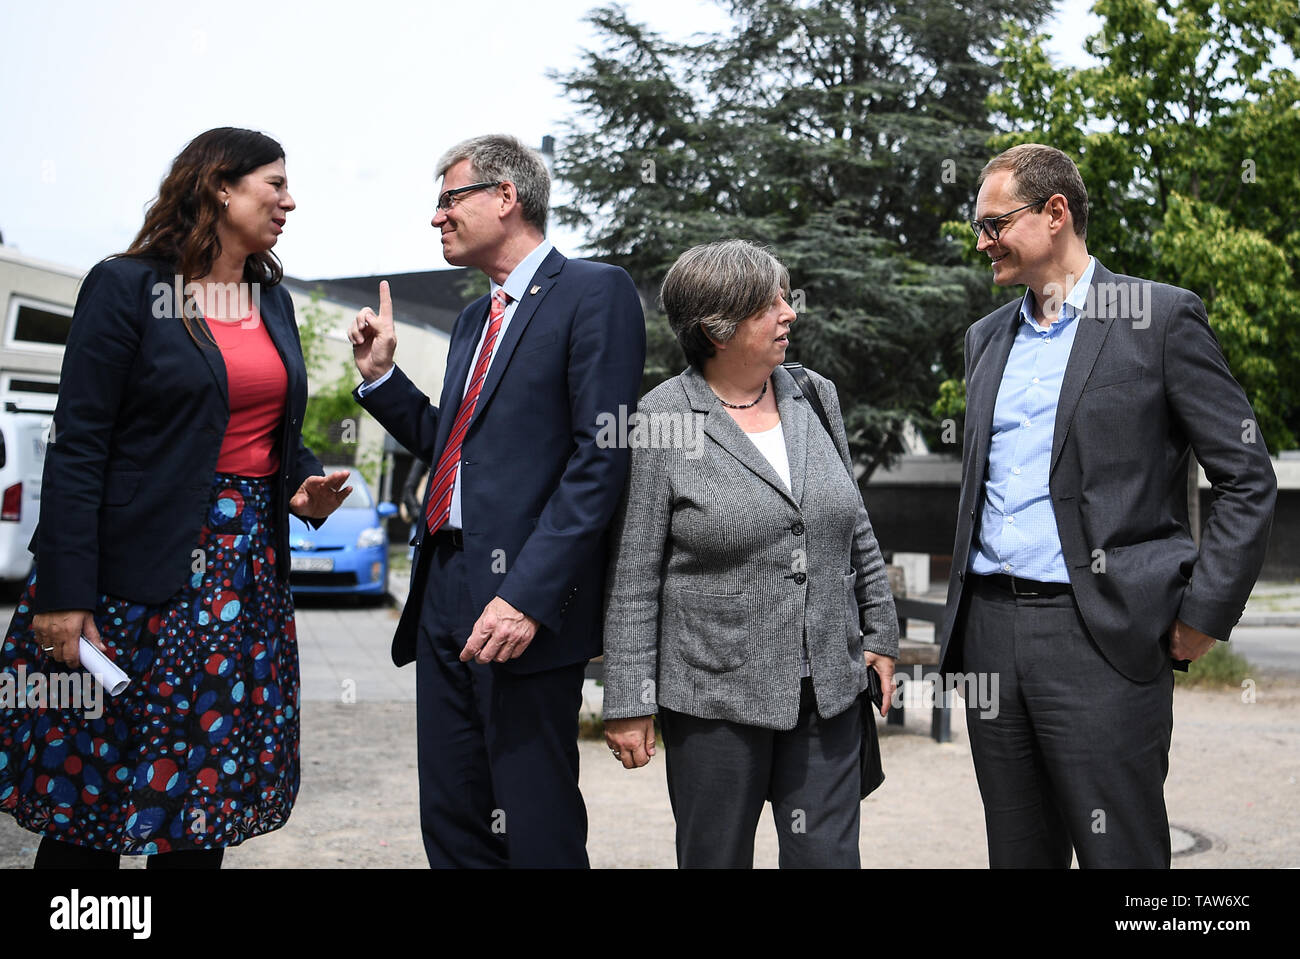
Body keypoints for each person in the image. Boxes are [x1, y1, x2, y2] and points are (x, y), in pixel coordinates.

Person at [0, 127, 351, 869]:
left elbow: (263, 426)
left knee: (203, 792)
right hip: (134, 579)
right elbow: (81, 441)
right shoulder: (127, 285)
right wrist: (63, 594)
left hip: (242, 581)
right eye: (275, 184)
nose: (290, 201)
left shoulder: (273, 298)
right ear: (222, 186)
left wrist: (304, 482)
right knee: (91, 791)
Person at [936, 143, 1277, 868]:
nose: (981, 241)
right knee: (1018, 854)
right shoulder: (985, 339)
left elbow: (1247, 476)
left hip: (1103, 638)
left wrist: (1202, 616)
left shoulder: (1159, 318)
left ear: (1055, 212)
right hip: (991, 633)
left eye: (994, 224)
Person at [348, 134, 645, 868]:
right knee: (452, 820)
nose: (436, 218)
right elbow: (457, 449)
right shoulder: (471, 322)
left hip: (521, 603)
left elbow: (599, 459)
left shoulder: (594, 292)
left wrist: (526, 596)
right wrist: (382, 378)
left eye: (449, 199)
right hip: (443, 589)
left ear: (505, 197)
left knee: (534, 823)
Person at [601, 239, 899, 868]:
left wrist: (880, 631)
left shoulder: (814, 395)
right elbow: (634, 574)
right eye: (770, 303)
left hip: (828, 691)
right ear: (717, 326)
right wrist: (628, 701)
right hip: (714, 700)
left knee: (828, 861)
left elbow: (853, 524)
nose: (789, 312)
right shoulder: (662, 416)